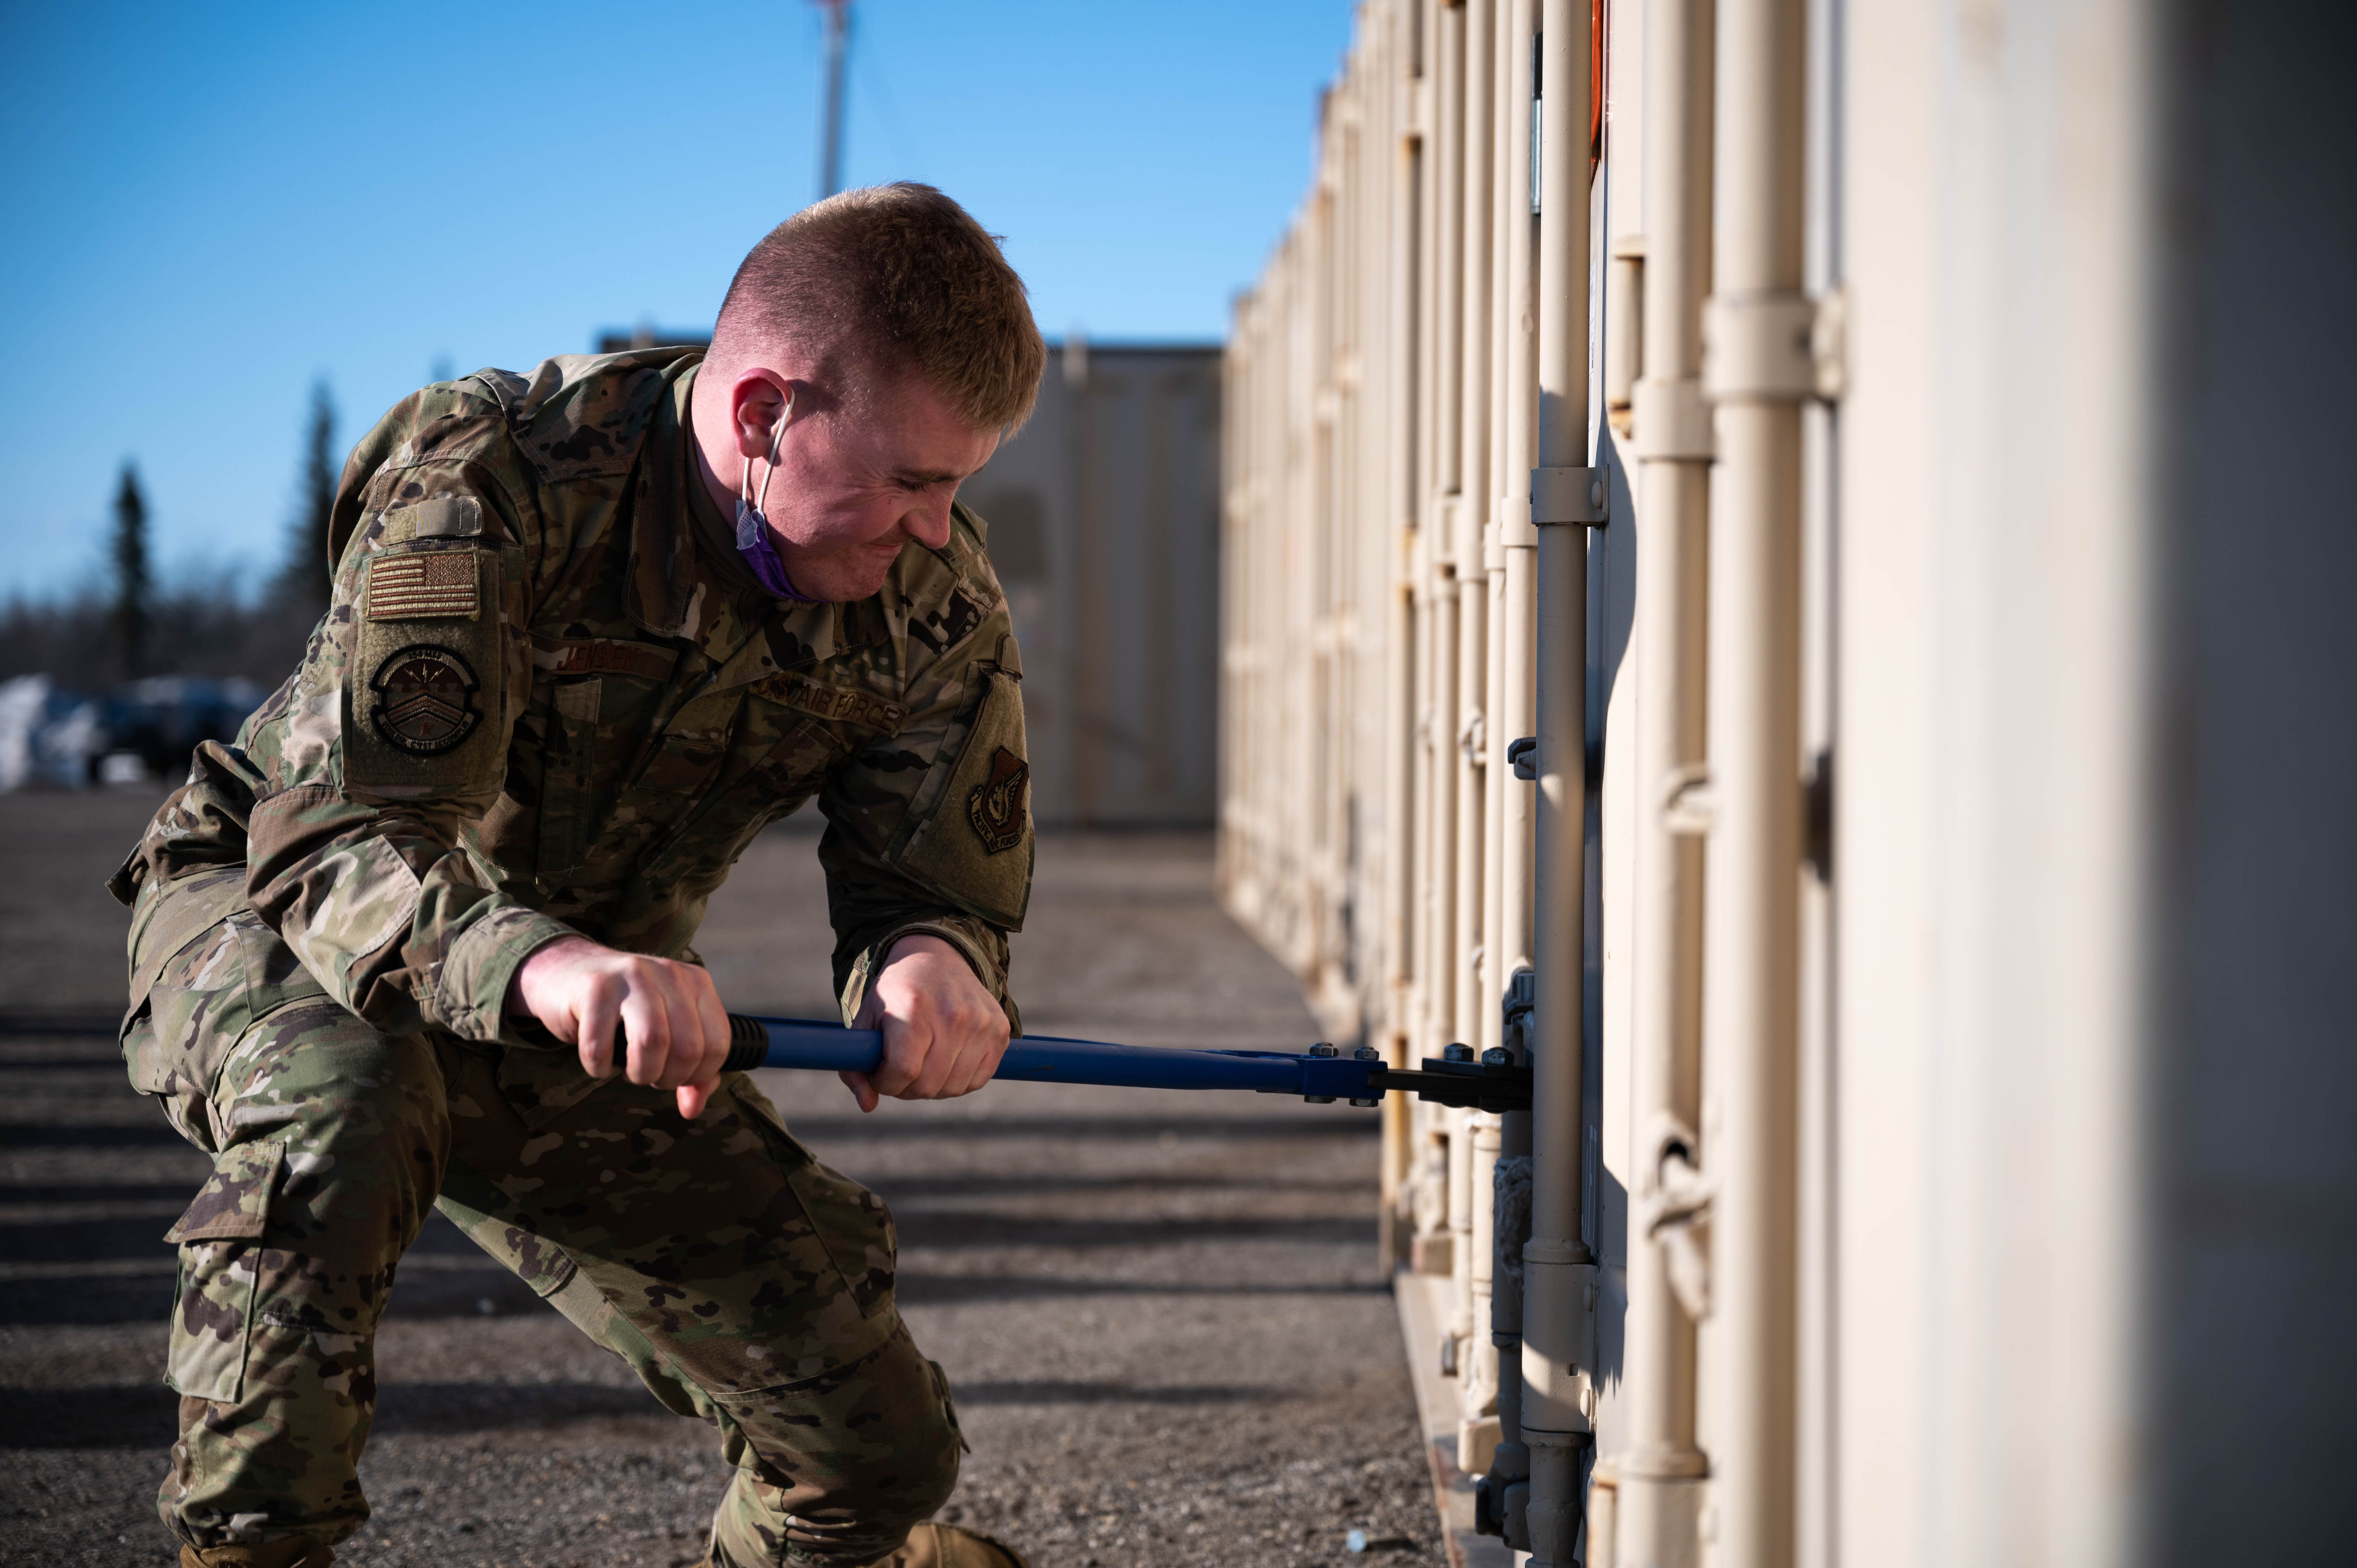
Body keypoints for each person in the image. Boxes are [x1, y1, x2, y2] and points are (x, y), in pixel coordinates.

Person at [108, 183, 1042, 1568]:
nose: (931, 525)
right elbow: (340, 838)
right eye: (909, 480)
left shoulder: (934, 600)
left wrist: (934, 964)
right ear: (762, 415)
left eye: (959, 484)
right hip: (286, 920)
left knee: (872, 1450)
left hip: (593, 999)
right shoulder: (497, 480)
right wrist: (549, 963)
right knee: (341, 1109)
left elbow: (932, 882)